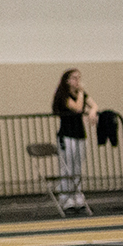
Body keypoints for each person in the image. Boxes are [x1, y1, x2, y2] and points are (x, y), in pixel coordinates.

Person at [51, 69, 98, 214]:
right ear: (67, 80)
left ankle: (78, 197)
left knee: (77, 167)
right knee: (67, 167)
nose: (77, 81)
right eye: (74, 78)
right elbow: (77, 108)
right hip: (67, 136)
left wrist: (92, 112)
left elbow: (94, 105)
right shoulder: (64, 96)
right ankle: (66, 199)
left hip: (79, 135)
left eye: (79, 78)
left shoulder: (81, 95)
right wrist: (82, 93)